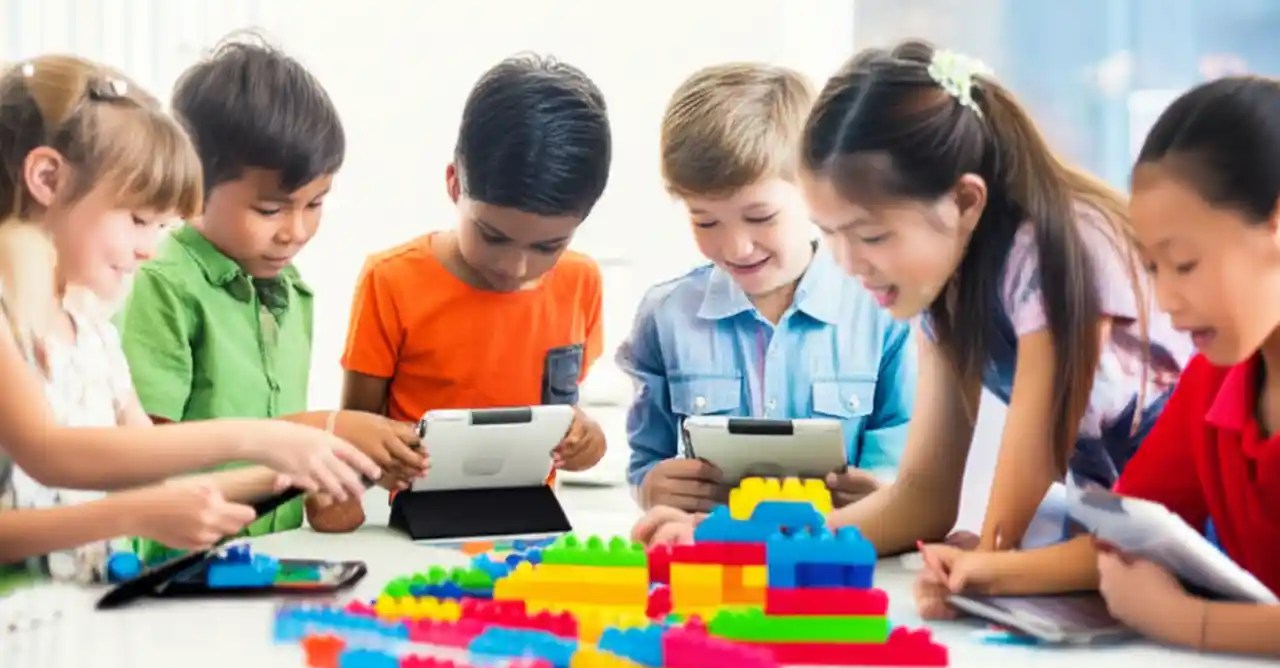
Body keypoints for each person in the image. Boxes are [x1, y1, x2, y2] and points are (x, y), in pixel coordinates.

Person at [916, 76, 1280, 658]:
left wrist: (1190, 622)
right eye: (1152, 269)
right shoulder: (1212, 382)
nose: (1166, 301)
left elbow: (1178, 607)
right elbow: (1126, 538)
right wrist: (983, 573)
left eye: (1185, 264)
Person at [797, 40, 1191, 554]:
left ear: (964, 201)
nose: (847, 263)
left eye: (871, 236)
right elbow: (923, 498)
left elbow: (1017, 505)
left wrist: (988, 562)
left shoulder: (1052, 251)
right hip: (1121, 539)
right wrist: (756, 543)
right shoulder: (943, 282)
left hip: (1197, 535)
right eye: (828, 234)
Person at [0, 55, 376, 584]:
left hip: (78, 613)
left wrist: (289, 472)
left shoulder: (90, 329)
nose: (150, 249)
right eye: (138, 220)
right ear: (47, 179)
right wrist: (260, 438)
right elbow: (52, 456)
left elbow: (150, 477)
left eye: (159, 227)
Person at [117, 37, 425, 540]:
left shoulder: (292, 292)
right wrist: (319, 431)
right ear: (192, 185)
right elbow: (148, 458)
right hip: (183, 561)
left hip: (274, 554)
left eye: (315, 204)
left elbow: (295, 481)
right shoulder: (162, 284)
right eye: (270, 209)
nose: (295, 232)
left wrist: (330, 483)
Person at [329, 54, 613, 531]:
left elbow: (563, 411)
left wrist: (589, 439)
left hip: (534, 518)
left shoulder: (581, 281)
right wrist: (383, 460)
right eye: (493, 236)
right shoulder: (390, 279)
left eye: (548, 246)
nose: (516, 268)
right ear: (454, 184)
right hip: (417, 518)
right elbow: (355, 429)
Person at [619, 62, 914, 514]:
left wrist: (885, 496)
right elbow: (646, 463)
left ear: (818, 191)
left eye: (760, 217)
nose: (736, 246)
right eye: (705, 221)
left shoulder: (883, 311)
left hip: (838, 547)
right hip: (713, 547)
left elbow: (902, 462)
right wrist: (649, 487)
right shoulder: (666, 315)